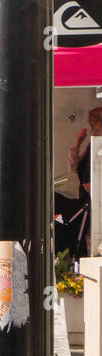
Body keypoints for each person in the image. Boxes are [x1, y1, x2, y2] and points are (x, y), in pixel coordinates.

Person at [62, 107, 102, 259]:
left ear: (98, 123)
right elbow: (74, 166)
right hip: (87, 199)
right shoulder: (92, 144)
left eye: (92, 122)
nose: (90, 126)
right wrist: (78, 142)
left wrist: (95, 187)